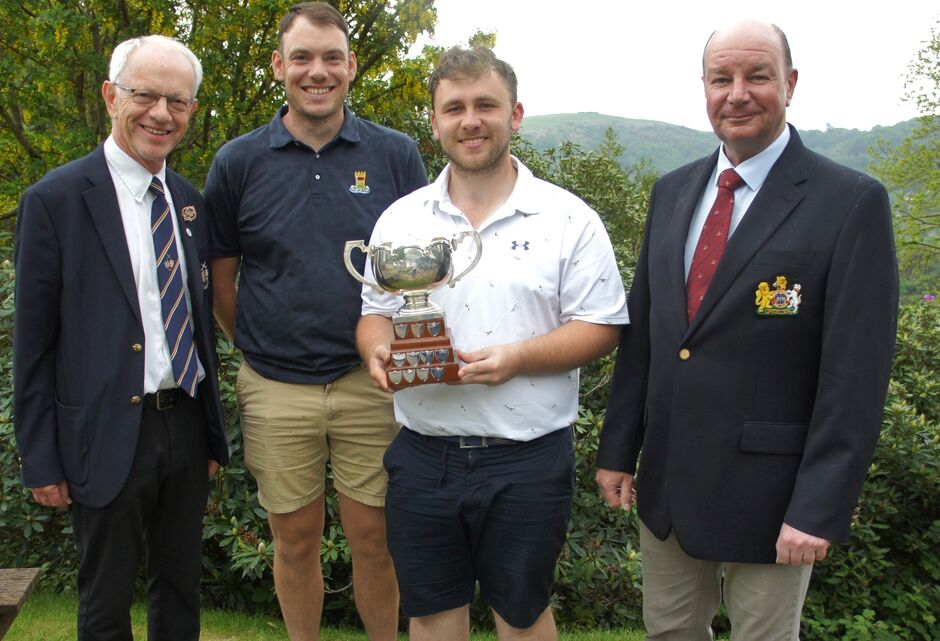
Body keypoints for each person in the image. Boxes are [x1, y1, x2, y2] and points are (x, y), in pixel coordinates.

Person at [595, 20, 898, 641]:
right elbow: (649, 335)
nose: (737, 93)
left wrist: (817, 508)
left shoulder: (850, 203)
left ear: (789, 84)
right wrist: (618, 450)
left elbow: (855, 378)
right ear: (703, 89)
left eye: (757, 76)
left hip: (774, 499)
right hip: (670, 490)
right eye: (720, 79)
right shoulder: (673, 192)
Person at [357, 46, 628, 641]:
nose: (470, 120)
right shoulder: (400, 221)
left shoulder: (568, 218)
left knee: (523, 615)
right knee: (429, 614)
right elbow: (375, 312)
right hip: (424, 453)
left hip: (527, 457)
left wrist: (518, 358)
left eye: (486, 105)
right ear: (434, 121)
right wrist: (377, 350)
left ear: (516, 114)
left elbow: (602, 326)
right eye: (454, 107)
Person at [203, 3, 427, 640]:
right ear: (279, 65)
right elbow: (222, 275)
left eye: (331, 57)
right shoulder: (238, 161)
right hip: (275, 388)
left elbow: (419, 274)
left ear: (351, 66)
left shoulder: (395, 154)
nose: (317, 71)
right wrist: (254, 346)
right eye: (302, 57)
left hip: (371, 383)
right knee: (293, 539)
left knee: (375, 539)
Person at [13, 35, 228, 641]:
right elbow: (33, 345)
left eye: (178, 101)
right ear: (111, 97)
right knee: (105, 598)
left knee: (181, 587)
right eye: (145, 95)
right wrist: (41, 456)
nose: (161, 113)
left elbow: (199, 320)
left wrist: (210, 430)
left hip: (183, 421)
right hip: (103, 429)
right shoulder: (55, 201)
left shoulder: (189, 204)